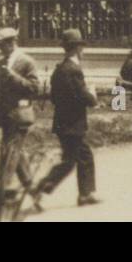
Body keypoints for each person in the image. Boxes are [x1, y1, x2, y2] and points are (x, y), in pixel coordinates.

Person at [32, 29, 99, 209]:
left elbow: (54, 98)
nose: (83, 51)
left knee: (84, 156)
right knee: (69, 162)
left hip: (63, 122)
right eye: (81, 48)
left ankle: (85, 194)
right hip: (73, 124)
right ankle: (39, 188)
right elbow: (83, 96)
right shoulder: (74, 70)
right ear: (77, 49)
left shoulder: (59, 70)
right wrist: (92, 96)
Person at [0, 26, 40, 197]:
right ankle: (32, 188)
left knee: (10, 149)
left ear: (12, 43)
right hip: (5, 115)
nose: (0, 49)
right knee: (15, 150)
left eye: (3, 45)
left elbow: (35, 88)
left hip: (20, 114)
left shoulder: (27, 62)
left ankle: (4, 187)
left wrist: (14, 76)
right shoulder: (0, 64)